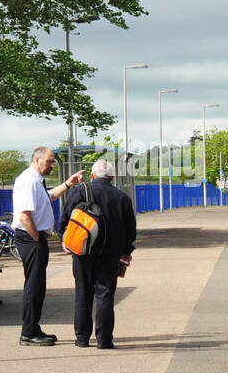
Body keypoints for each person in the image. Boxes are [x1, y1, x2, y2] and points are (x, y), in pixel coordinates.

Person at [57, 157, 137, 349]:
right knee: (105, 295)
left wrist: (64, 239)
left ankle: (82, 338)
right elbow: (130, 230)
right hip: (110, 254)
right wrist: (126, 252)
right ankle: (104, 340)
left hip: (83, 252)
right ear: (112, 177)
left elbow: (65, 218)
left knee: (83, 292)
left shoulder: (80, 192)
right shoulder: (122, 198)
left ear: (92, 175)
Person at [10, 147, 82, 346]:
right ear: (36, 159)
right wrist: (36, 239)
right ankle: (28, 332)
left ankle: (33, 327)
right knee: (34, 286)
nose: (52, 166)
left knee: (38, 285)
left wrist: (68, 183)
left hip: (34, 238)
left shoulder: (36, 181)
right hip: (30, 238)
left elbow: (49, 196)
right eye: (49, 162)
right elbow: (25, 216)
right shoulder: (28, 180)